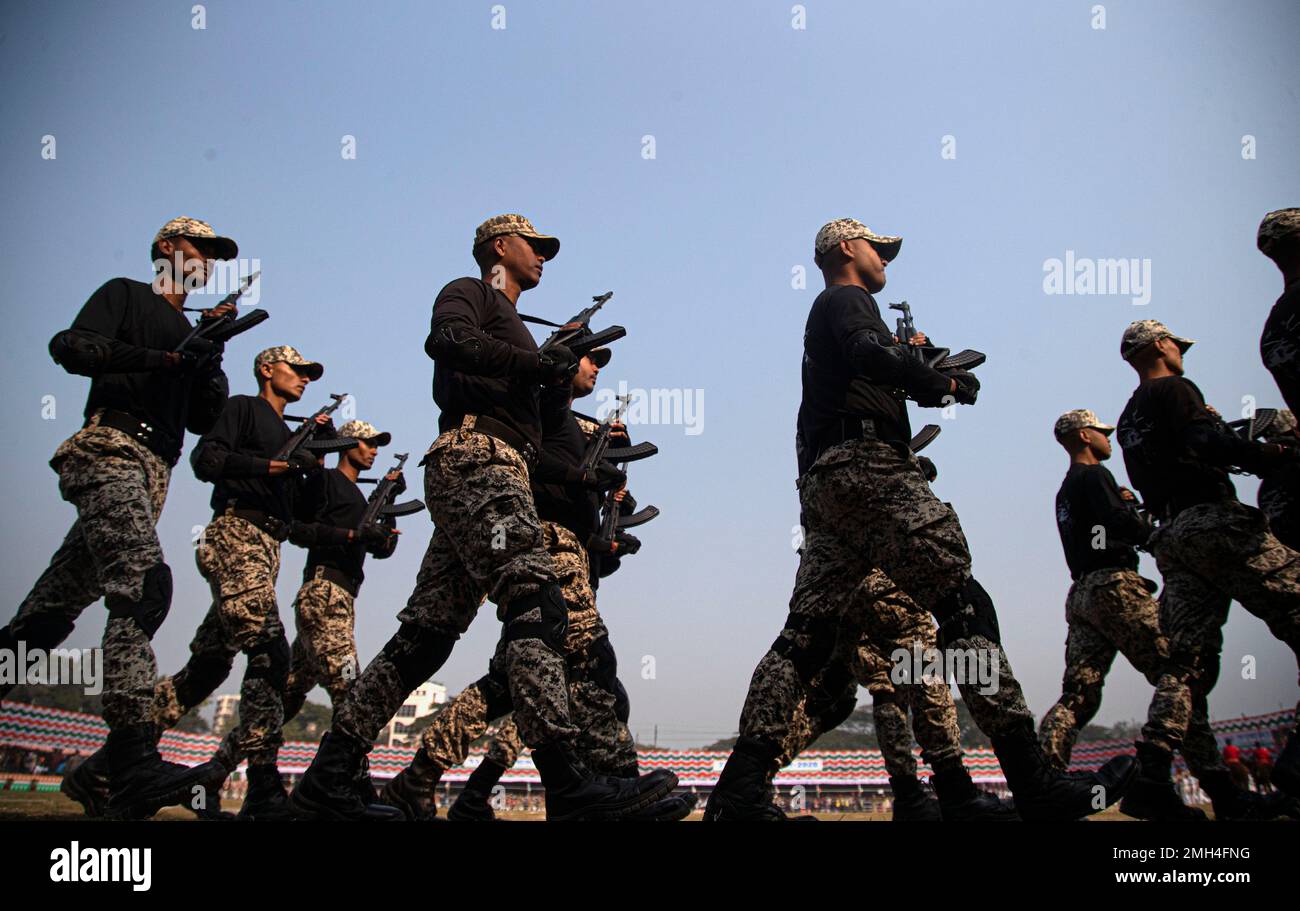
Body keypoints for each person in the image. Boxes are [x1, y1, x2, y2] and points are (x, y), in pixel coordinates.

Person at [705, 218, 1135, 821]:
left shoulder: (832, 313)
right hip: (868, 466)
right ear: (847, 250)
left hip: (827, 484)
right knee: (963, 604)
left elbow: (865, 363)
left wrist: (918, 367)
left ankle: (739, 792)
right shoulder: (847, 298)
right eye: (879, 250)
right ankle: (1032, 780)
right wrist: (930, 379)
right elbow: (866, 352)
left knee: (807, 635)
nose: (886, 261)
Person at [291, 215, 674, 821]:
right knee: (535, 603)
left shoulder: (519, 328)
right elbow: (446, 340)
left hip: (499, 468)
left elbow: (542, 421)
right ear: (500, 247)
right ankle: (568, 784)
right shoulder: (470, 292)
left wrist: (560, 374)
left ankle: (327, 779)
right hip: (475, 457)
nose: (544, 256)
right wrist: (535, 363)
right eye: (534, 245)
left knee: (424, 639)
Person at [381, 352, 690, 822]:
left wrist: (611, 502)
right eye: (591, 359)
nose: (597, 370)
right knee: (590, 666)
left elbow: (604, 510)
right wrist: (583, 466)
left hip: (571, 556)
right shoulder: (541, 411)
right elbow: (526, 467)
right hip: (544, 546)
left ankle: (426, 779)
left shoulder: (580, 428)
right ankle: (616, 785)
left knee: (511, 685)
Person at [3, 217, 236, 819]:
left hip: (153, 470)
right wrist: (164, 357)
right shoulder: (127, 295)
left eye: (214, 255)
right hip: (108, 449)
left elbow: (203, 422)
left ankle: (98, 779)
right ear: (166, 248)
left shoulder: (193, 331)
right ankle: (131, 760)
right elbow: (72, 347)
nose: (206, 260)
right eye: (198, 248)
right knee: (144, 584)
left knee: (47, 619)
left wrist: (209, 355)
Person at [1116, 319, 1300, 818]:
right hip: (1212, 520)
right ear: (1159, 345)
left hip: (1174, 538)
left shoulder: (1130, 414)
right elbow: (1205, 443)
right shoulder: (1175, 389)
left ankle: (1153, 773)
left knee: (1185, 665)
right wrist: (1271, 455)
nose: (1180, 350)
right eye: (1176, 343)